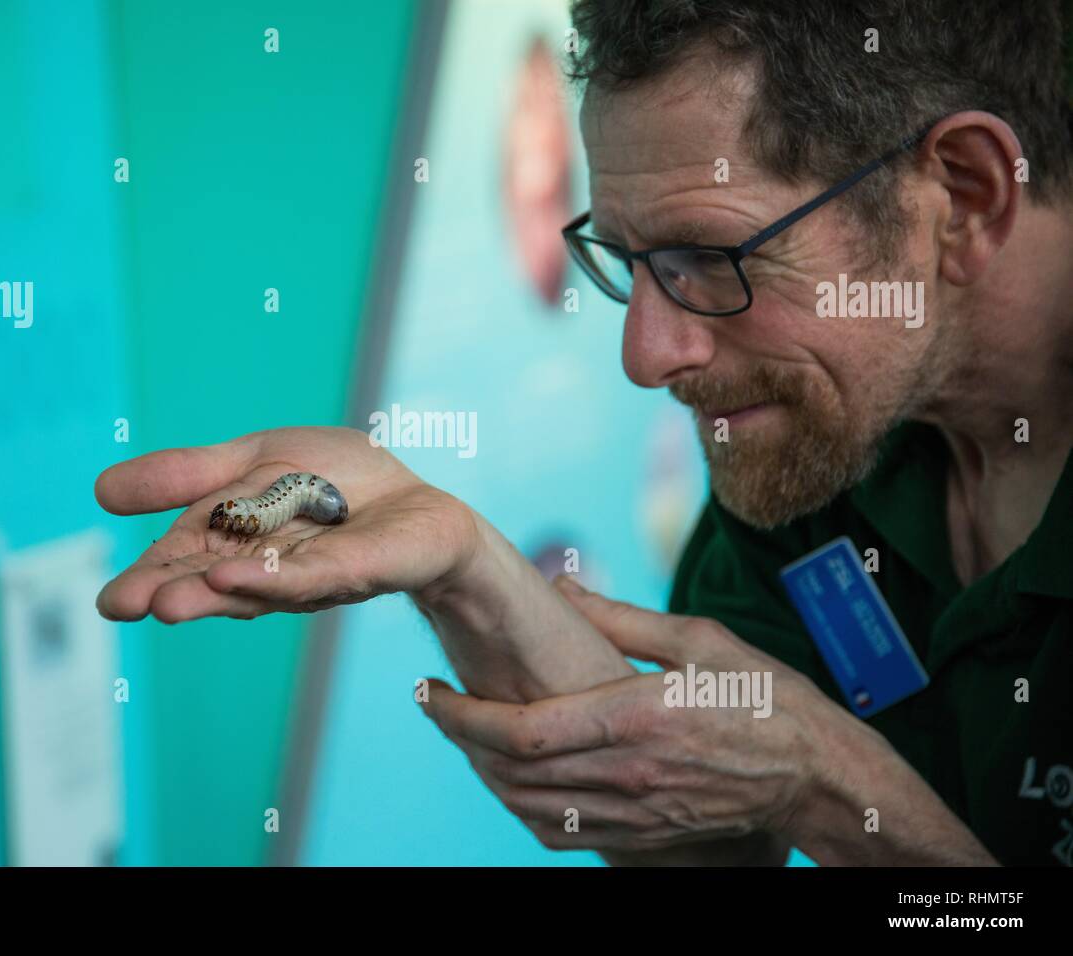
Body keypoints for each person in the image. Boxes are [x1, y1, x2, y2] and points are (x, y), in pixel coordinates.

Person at [94, 0, 1073, 865]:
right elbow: (713, 850)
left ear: (964, 195)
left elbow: (801, 788)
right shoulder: (828, 431)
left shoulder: (824, 394)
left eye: (710, 256)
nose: (646, 356)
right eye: (628, 261)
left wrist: (823, 778)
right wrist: (467, 569)